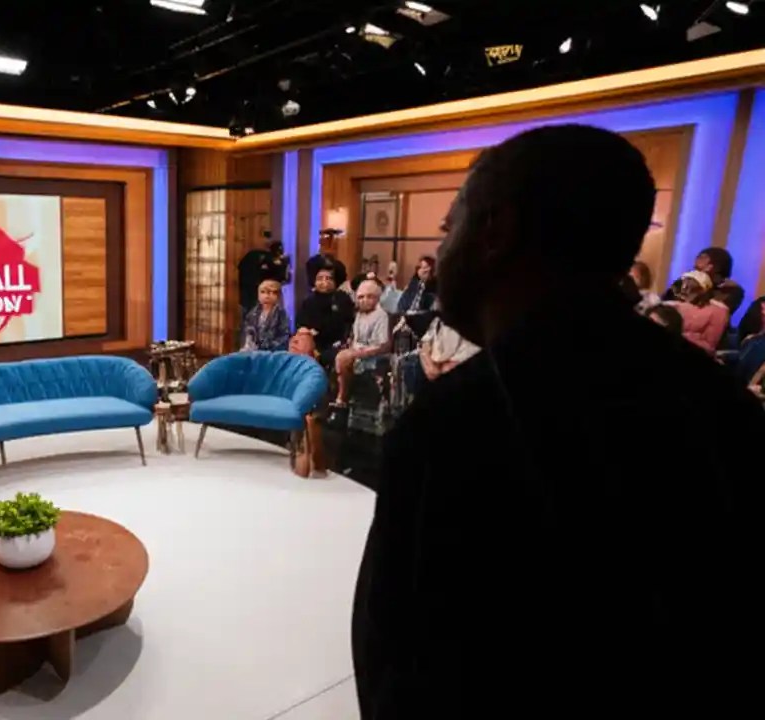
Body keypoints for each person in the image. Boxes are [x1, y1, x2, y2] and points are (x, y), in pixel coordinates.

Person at [352, 125, 763, 719]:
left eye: (449, 230)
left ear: (495, 231)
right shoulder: (720, 405)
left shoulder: (459, 421)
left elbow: (399, 651)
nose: (442, 255)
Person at [332, 278, 390, 407]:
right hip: (358, 353)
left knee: (343, 358)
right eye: (361, 297)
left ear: (377, 297)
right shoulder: (359, 315)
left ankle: (342, 398)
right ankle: (340, 398)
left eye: (369, 297)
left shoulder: (381, 315)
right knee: (338, 355)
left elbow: (383, 346)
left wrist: (356, 353)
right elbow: (355, 339)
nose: (364, 300)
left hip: (374, 356)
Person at [296, 266, 355, 367]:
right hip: (314, 342)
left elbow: (349, 322)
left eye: (328, 278)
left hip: (338, 342)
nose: (324, 281)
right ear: (314, 282)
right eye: (320, 278)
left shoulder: (342, 298)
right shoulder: (308, 301)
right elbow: (301, 323)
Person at [663, 246, 744, 315]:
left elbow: (717, 313)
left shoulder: (732, 290)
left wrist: (700, 287)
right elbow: (666, 302)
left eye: (704, 259)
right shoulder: (687, 280)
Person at [665, 270, 729, 355]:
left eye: (689, 286)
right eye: (684, 284)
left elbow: (709, 345)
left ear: (702, 290)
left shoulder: (717, 311)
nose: (684, 289)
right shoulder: (672, 306)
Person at [240, 279, 290, 351]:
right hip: (254, 350)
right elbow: (248, 331)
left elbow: (284, 336)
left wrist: (269, 346)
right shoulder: (252, 313)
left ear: (278, 296)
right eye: (262, 292)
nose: (266, 296)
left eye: (271, 293)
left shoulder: (281, 314)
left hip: (273, 351)